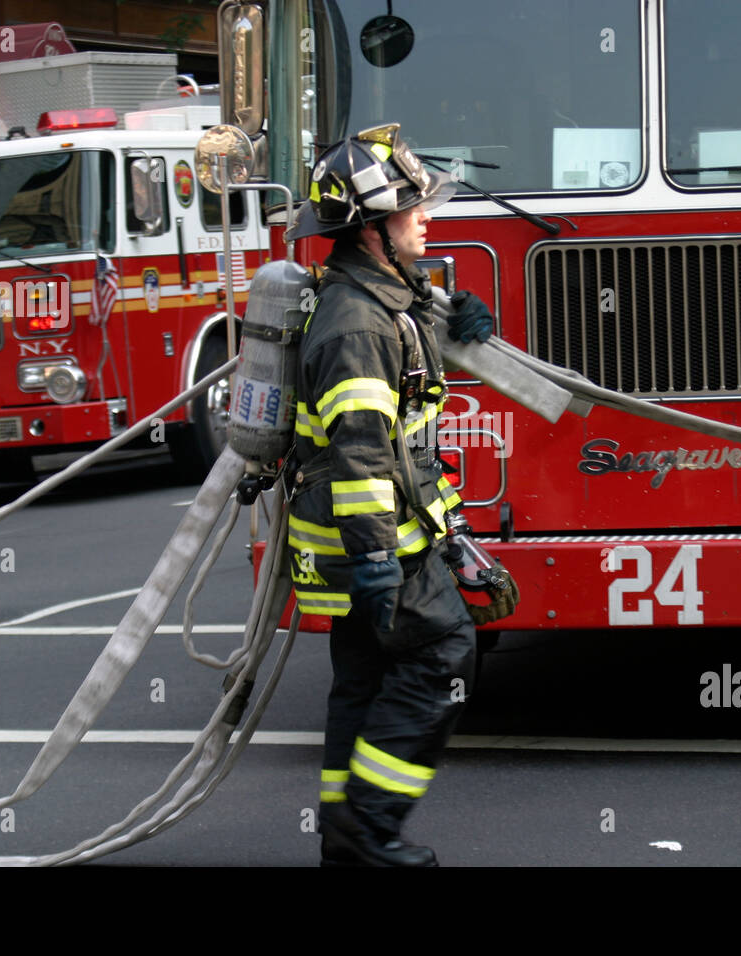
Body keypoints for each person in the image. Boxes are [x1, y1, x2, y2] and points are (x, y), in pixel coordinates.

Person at [284, 123, 496, 866]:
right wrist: (376, 557)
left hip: (360, 540)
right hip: (371, 542)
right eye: (413, 208)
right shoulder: (354, 327)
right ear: (372, 228)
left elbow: (411, 319)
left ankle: (346, 839)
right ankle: (371, 833)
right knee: (443, 649)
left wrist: (456, 321)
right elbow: (364, 451)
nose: (427, 218)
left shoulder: (377, 296)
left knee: (364, 683)